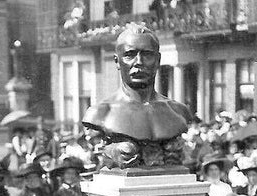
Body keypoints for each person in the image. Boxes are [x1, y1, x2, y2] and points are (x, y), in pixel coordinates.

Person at [81, 25, 193, 167]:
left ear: (158, 60)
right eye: (130, 55)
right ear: (117, 61)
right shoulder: (100, 113)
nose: (139, 62)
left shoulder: (178, 111)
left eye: (147, 55)